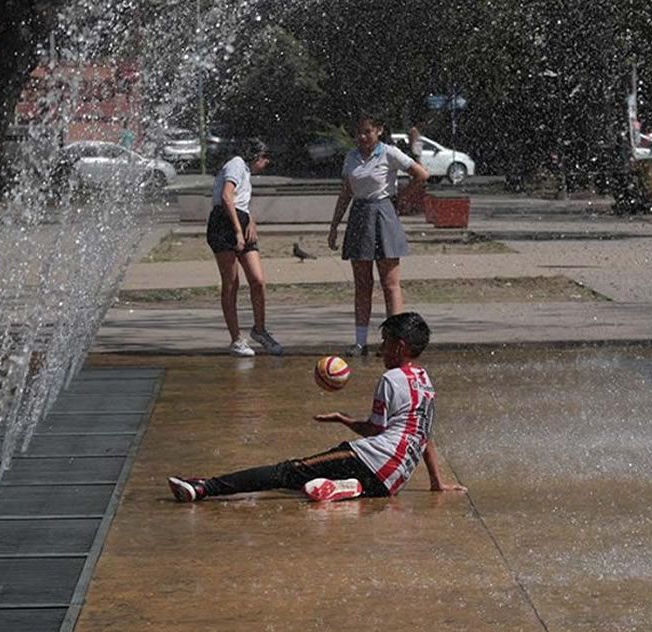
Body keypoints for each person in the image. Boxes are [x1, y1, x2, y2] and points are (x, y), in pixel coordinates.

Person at [168, 312, 463, 502]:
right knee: (310, 476)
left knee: (288, 471)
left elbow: (374, 429)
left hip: (374, 459)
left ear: (400, 347)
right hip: (392, 480)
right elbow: (424, 437)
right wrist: (437, 483)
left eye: (384, 342)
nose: (380, 349)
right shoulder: (424, 381)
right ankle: (348, 488)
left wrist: (344, 420)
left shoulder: (391, 379)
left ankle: (204, 487)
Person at [328, 114, 429, 357]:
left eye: (367, 132)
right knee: (363, 284)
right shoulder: (351, 157)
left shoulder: (389, 153)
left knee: (389, 283)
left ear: (379, 131)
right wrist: (334, 226)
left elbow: (422, 174)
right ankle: (360, 342)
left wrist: (402, 198)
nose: (362, 137)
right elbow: (346, 192)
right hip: (359, 215)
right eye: (358, 133)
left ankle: (395, 342)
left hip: (383, 214)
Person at [206, 138, 282, 357]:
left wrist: (250, 219)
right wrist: (238, 230)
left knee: (257, 280)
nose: (267, 164)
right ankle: (236, 339)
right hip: (224, 224)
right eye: (266, 159)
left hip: (241, 219)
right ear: (257, 156)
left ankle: (259, 330)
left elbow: (240, 201)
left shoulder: (245, 171)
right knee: (231, 282)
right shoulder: (237, 164)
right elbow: (226, 197)